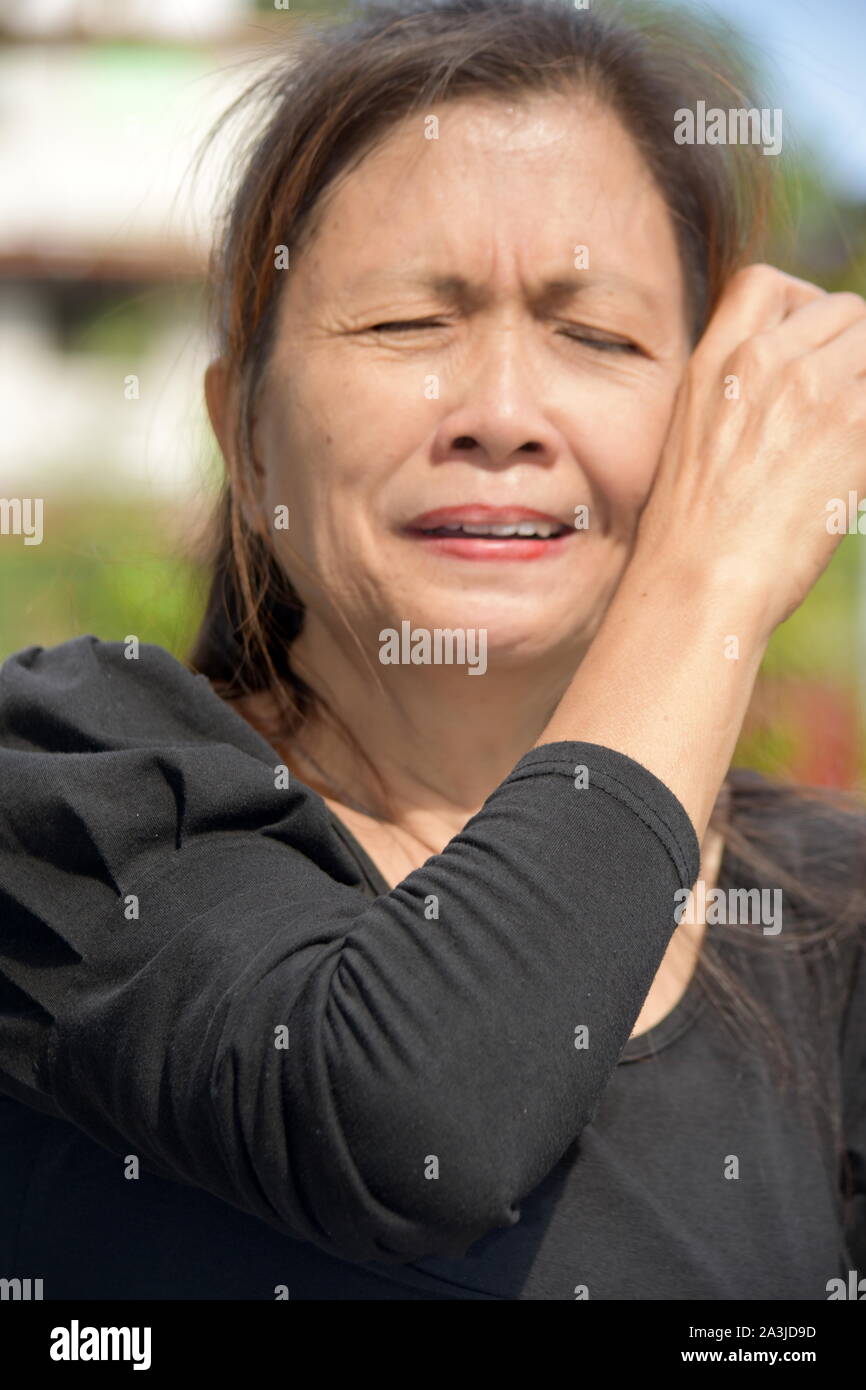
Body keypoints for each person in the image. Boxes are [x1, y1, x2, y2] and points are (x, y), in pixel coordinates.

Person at [1, 0, 864, 1301]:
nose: (502, 414)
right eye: (408, 323)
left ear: (705, 419)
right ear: (243, 435)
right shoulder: (79, 792)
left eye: (596, 335)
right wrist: (711, 581)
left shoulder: (821, 910)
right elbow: (416, 1121)